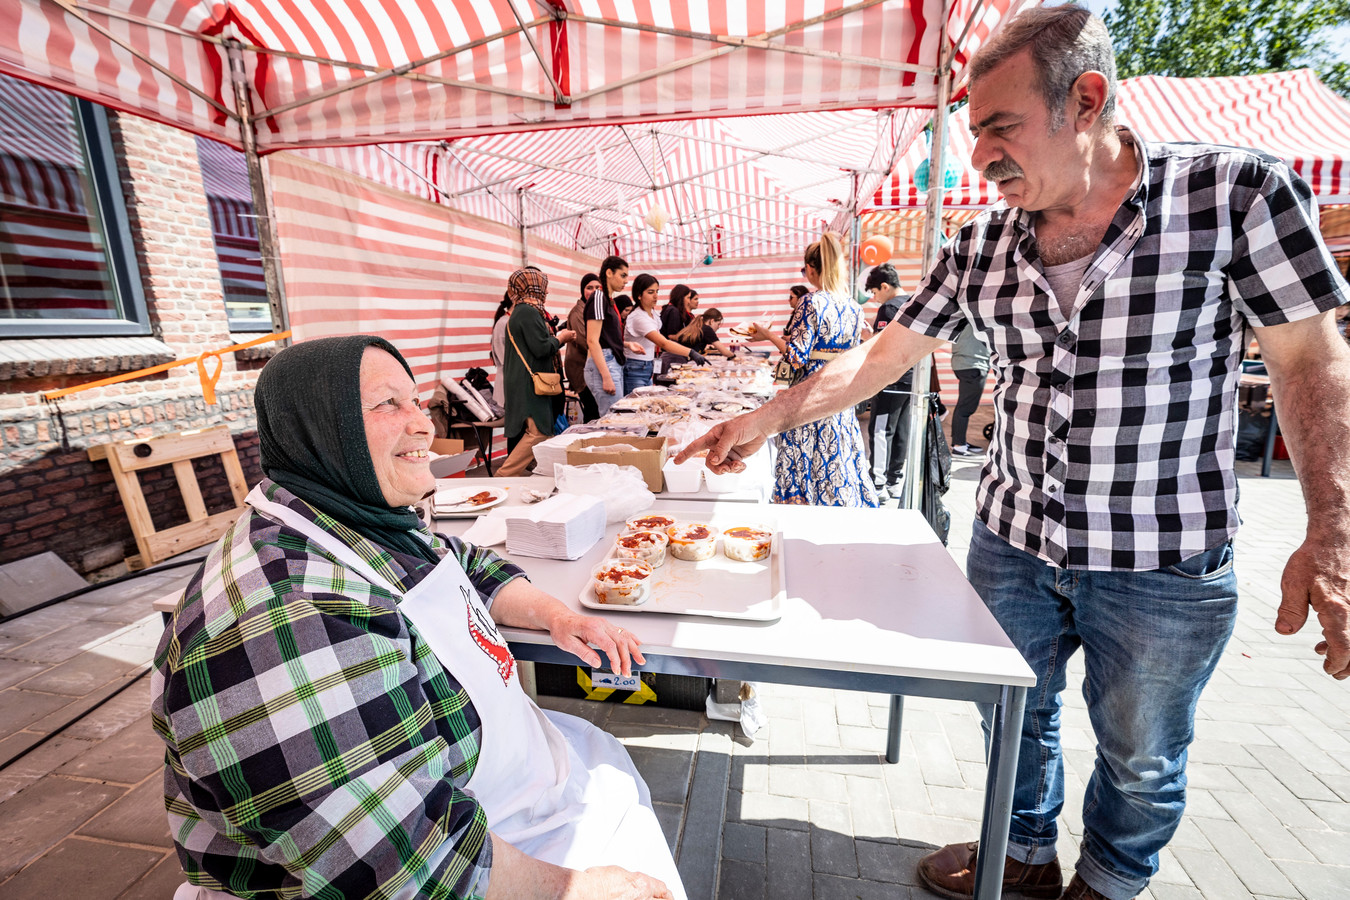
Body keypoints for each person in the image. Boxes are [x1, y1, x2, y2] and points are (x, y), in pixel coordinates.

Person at [676, 6, 1350, 900]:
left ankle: (1108, 884)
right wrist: (764, 418)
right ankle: (1024, 856)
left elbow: (1309, 357)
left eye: (1000, 128)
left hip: (1164, 556)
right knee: (1012, 717)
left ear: (1086, 99)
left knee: (1143, 754)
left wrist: (1332, 524)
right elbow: (881, 358)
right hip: (1013, 541)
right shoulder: (981, 244)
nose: (983, 155)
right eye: (975, 133)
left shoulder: (1233, 195)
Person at [153, 335, 681, 900]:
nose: (423, 424)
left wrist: (554, 614)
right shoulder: (278, 615)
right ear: (320, 432)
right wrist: (577, 889)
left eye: (416, 400)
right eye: (387, 405)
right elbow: (401, 861)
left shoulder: (355, 515)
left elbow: (459, 561)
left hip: (504, 799)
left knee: (613, 777)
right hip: (445, 868)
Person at [750, 232, 877, 507]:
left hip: (809, 395)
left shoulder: (811, 301)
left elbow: (796, 356)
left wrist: (768, 336)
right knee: (837, 459)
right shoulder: (853, 307)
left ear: (810, 269)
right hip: (841, 393)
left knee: (804, 462)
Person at [497, 268, 575, 477]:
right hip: (529, 383)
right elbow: (541, 348)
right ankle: (504, 475)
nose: (546, 291)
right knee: (537, 432)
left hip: (525, 381)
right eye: (544, 286)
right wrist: (561, 338)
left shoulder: (525, 311)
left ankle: (528, 474)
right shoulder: (527, 311)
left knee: (537, 431)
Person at [862, 264, 913, 500]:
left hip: (890, 378)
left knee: (881, 429)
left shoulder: (889, 307)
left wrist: (865, 336)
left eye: (874, 293)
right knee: (901, 428)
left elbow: (881, 343)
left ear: (884, 286)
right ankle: (894, 480)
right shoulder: (915, 302)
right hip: (911, 376)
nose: (874, 298)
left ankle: (878, 482)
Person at [624, 273, 708, 393]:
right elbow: (664, 343)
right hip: (636, 368)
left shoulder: (653, 314)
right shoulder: (639, 317)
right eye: (650, 292)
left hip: (647, 366)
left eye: (657, 291)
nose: (655, 296)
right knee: (635, 407)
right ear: (638, 295)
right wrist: (691, 352)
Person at [583, 255, 630, 416]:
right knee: (613, 420)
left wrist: (627, 345)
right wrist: (606, 376)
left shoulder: (608, 300)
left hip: (610, 362)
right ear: (609, 273)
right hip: (604, 364)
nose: (625, 281)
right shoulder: (598, 297)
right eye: (622, 275)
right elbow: (592, 340)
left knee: (616, 418)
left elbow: (605, 337)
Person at [948, 320, 991, 457]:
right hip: (974, 364)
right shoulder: (978, 315)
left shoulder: (960, 317)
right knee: (965, 408)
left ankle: (959, 442)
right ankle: (959, 446)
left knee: (964, 405)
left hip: (963, 363)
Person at [564, 273, 601, 422]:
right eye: (589, 288)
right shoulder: (577, 312)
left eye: (598, 287)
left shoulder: (594, 309)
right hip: (581, 368)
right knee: (593, 409)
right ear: (582, 290)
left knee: (595, 409)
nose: (593, 291)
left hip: (592, 366)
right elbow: (586, 341)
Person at [663, 308, 736, 371]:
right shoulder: (707, 329)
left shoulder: (698, 327)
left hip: (668, 359)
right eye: (718, 324)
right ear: (712, 321)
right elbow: (724, 351)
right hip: (674, 362)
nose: (718, 327)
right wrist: (734, 356)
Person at [489, 291, 513, 409]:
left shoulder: (508, 321)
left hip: (510, 382)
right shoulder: (504, 323)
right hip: (508, 384)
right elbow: (506, 359)